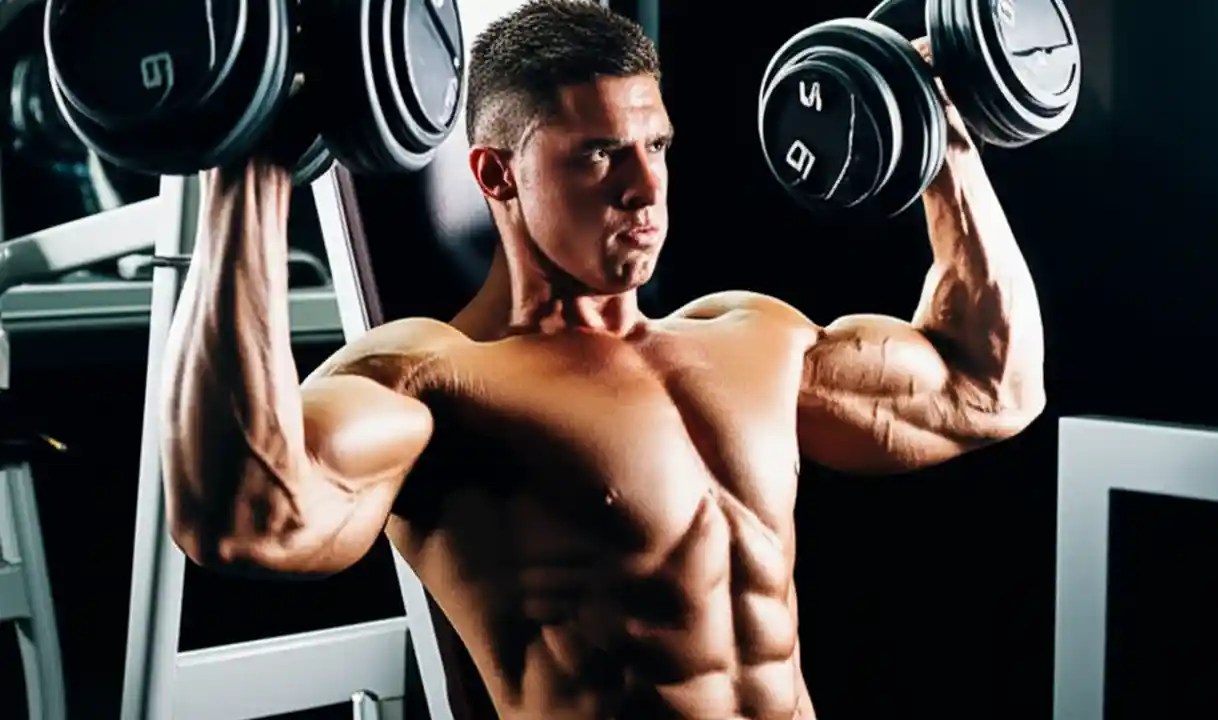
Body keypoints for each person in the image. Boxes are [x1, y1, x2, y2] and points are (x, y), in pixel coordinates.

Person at [159, 1, 1046, 717]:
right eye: (599, 154)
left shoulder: (754, 339)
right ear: (497, 175)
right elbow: (249, 519)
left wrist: (942, 133)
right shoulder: (439, 378)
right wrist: (253, 166)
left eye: (656, 145)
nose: (646, 187)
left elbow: (990, 386)